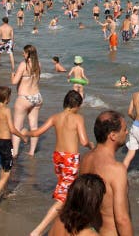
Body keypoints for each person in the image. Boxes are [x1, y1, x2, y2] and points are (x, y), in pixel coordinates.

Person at [25, 90, 94, 236]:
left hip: (58, 158)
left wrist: (25, 133)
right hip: (70, 159)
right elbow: (83, 141)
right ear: (76, 105)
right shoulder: (78, 118)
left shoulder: (55, 117)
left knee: (66, 191)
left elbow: (37, 133)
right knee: (63, 198)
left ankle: (65, 224)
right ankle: (38, 230)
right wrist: (91, 145)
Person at [78, 111, 133, 236]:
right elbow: (122, 219)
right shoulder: (116, 170)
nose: (127, 132)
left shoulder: (85, 159)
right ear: (113, 135)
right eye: (124, 129)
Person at [11, 44, 42, 157]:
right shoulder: (38, 64)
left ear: (28, 54)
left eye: (24, 52)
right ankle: (32, 152)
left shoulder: (23, 65)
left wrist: (12, 76)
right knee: (34, 126)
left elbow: (14, 82)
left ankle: (15, 153)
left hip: (24, 97)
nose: (22, 54)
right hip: (37, 97)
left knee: (17, 127)